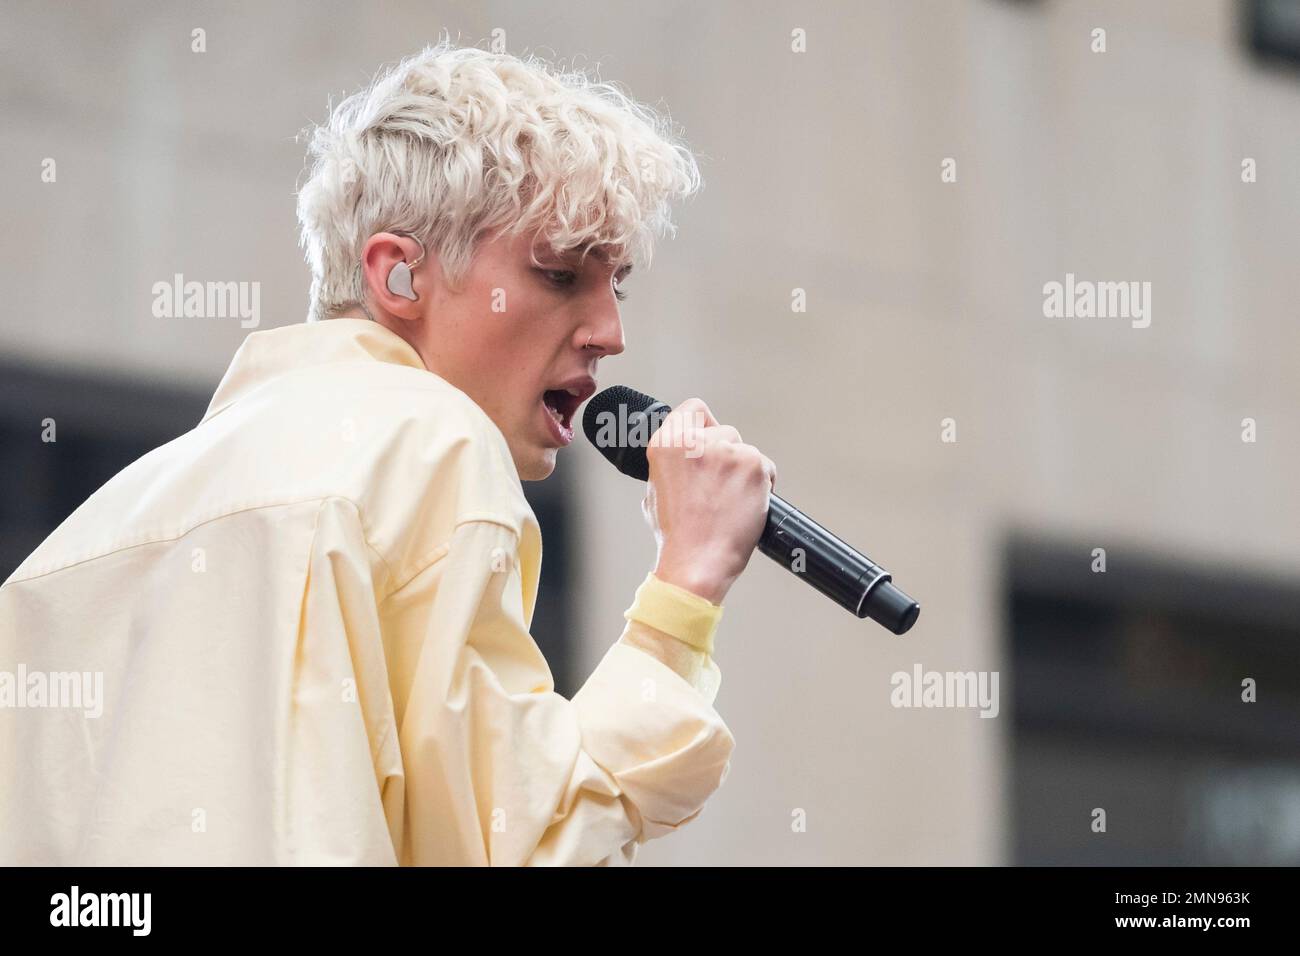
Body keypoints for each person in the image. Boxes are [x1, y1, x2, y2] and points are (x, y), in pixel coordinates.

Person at [0, 41, 775, 865]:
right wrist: (684, 591)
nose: (609, 334)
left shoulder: (88, 537)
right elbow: (531, 844)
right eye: (557, 274)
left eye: (614, 284)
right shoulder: (431, 444)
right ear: (398, 276)